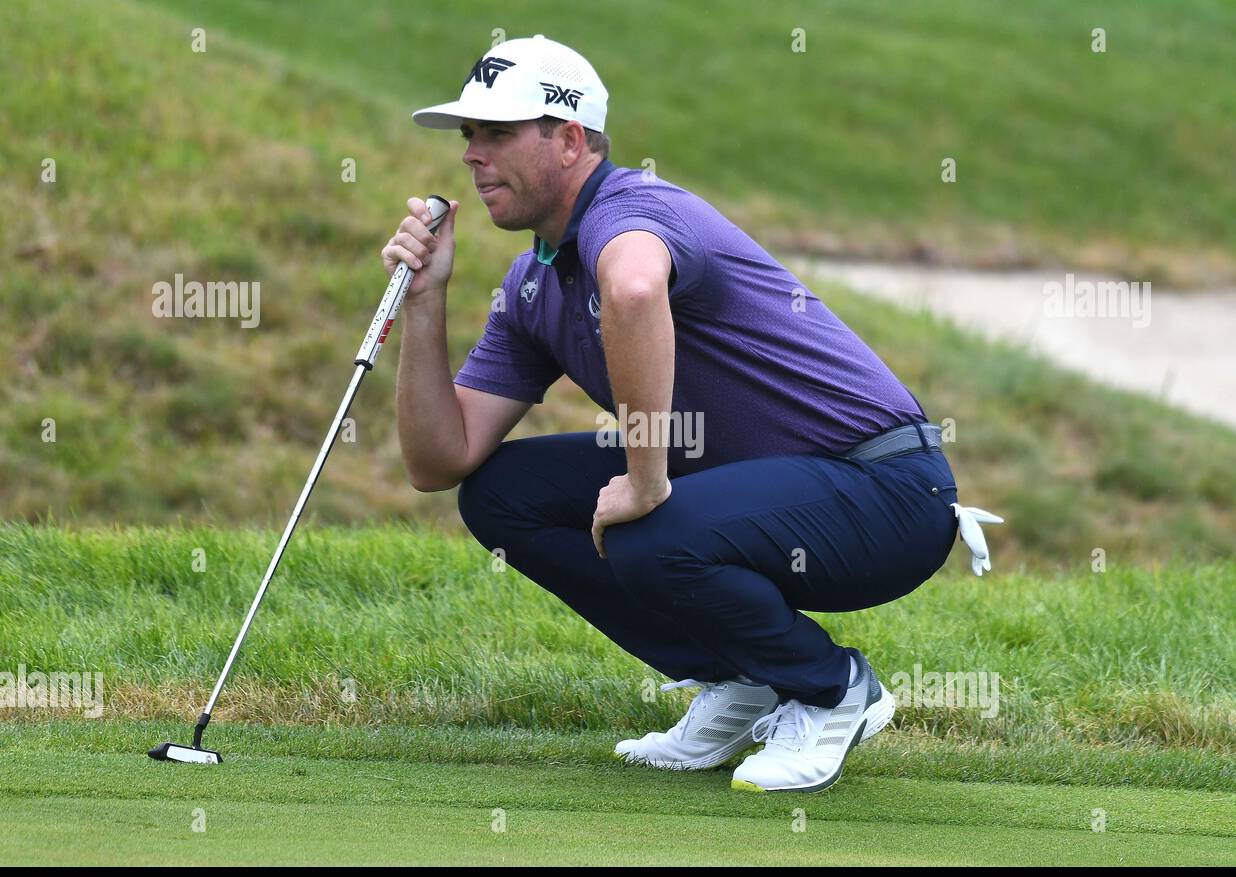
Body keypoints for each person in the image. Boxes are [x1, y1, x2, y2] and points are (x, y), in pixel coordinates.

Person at [383, 35, 1001, 793]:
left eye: (498, 133)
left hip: (885, 492)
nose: (472, 155)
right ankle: (744, 679)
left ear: (571, 139)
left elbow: (636, 292)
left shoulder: (632, 209)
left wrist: (644, 481)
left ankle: (832, 688)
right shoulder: (533, 283)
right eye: (468, 136)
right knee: (501, 493)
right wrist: (425, 300)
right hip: (762, 492)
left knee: (649, 532)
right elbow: (438, 461)